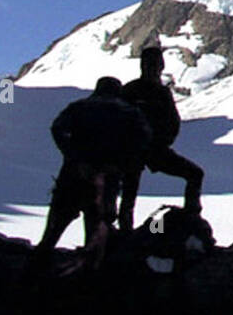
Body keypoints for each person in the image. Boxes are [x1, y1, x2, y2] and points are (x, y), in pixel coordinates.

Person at [34, 77, 151, 273]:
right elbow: (144, 137)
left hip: (73, 175)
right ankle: (89, 283)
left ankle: (33, 275)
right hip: (106, 179)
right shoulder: (129, 111)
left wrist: (73, 156)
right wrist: (121, 163)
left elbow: (57, 128)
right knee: (96, 232)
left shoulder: (80, 106)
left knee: (54, 229)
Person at [119, 47, 204, 231]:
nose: (153, 69)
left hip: (140, 151)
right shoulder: (150, 92)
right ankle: (191, 220)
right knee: (129, 193)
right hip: (139, 152)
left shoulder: (134, 90)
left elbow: (173, 123)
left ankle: (125, 232)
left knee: (128, 194)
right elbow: (173, 122)